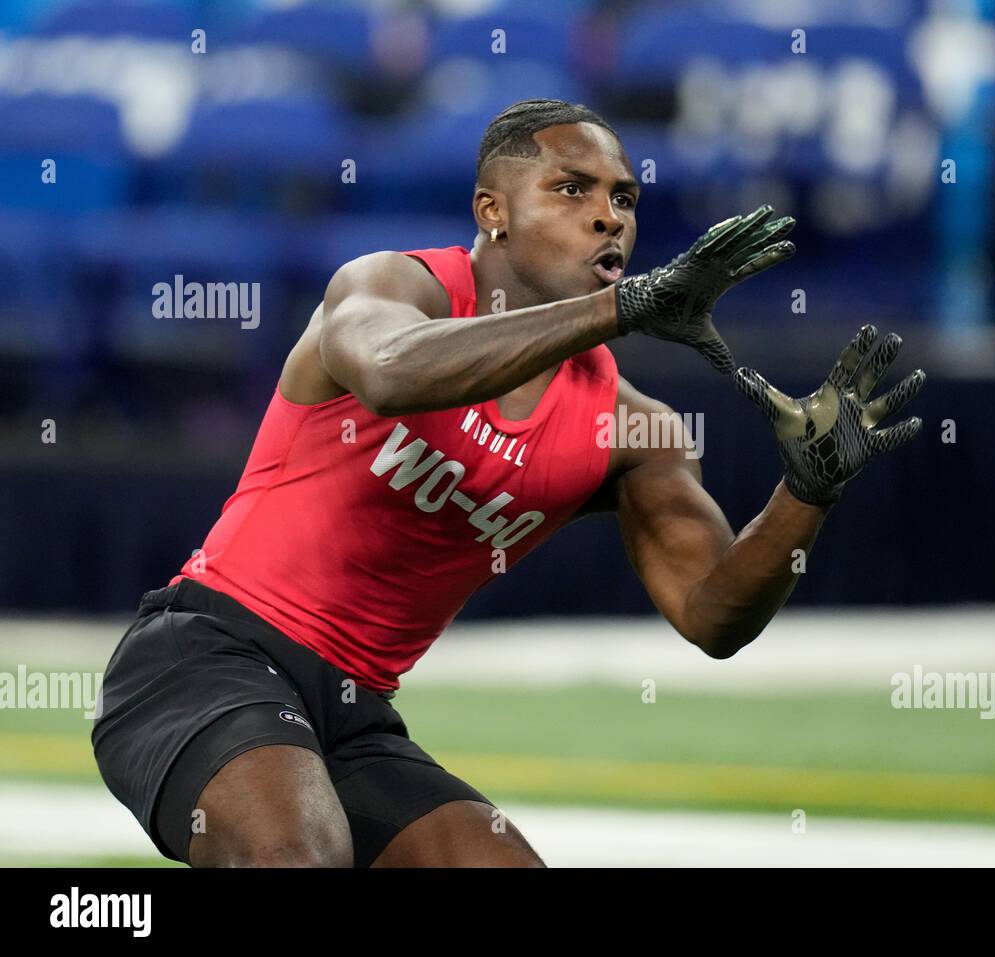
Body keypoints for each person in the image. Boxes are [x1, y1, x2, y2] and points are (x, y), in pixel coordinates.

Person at [91, 98, 924, 868]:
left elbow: (713, 615)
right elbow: (388, 370)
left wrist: (806, 493)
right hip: (202, 657)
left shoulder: (633, 431)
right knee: (297, 853)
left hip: (349, 715)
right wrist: (623, 309)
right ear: (492, 211)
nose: (610, 215)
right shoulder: (394, 286)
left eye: (626, 199)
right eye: (572, 189)